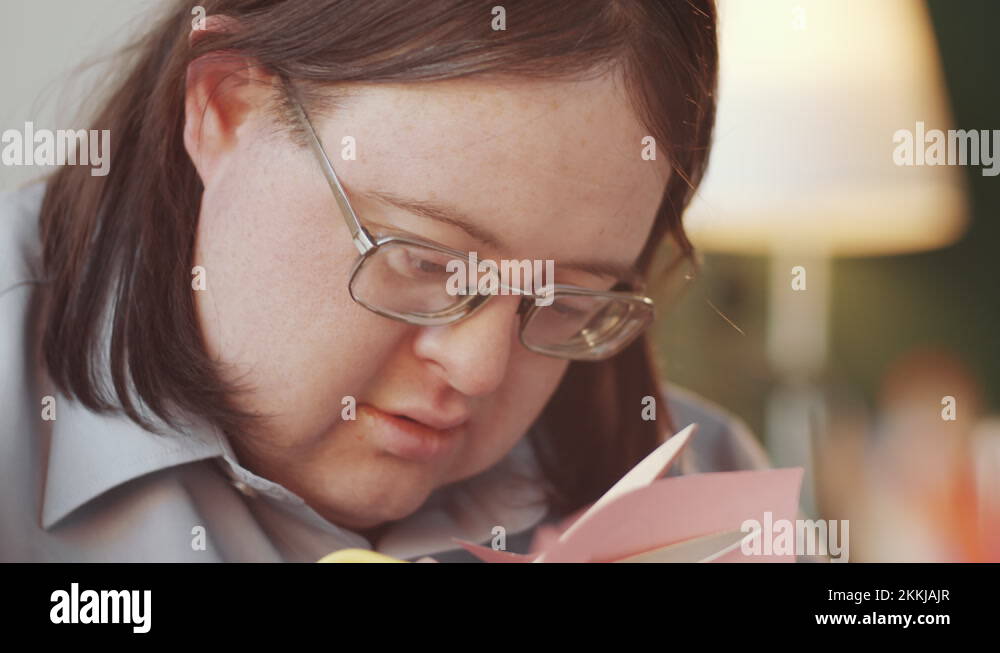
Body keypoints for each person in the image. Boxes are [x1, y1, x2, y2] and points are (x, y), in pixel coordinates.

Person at [0, 0, 770, 562]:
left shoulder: (708, 500)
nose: (479, 367)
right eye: (426, 260)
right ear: (225, 109)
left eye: (565, 299)